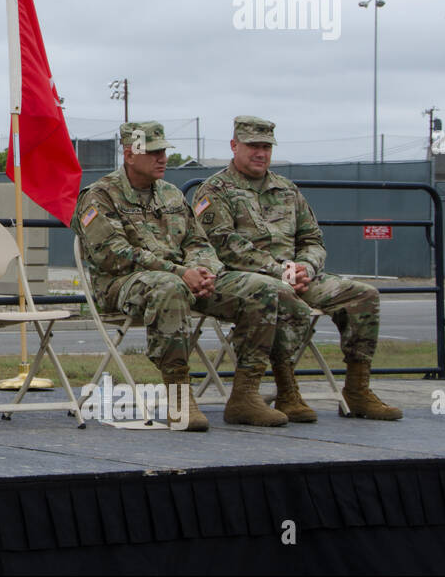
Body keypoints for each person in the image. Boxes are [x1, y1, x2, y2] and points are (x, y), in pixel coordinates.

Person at [75, 121, 318, 430]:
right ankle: (179, 397)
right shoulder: (100, 196)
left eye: (163, 151)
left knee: (263, 288)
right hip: (122, 284)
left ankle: (245, 395)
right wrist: (180, 272)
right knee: (169, 287)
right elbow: (113, 255)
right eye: (152, 152)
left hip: (184, 278)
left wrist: (204, 271)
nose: (161, 158)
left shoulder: (171, 194)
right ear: (129, 154)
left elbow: (198, 242)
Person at [195, 116, 401, 420]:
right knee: (278, 293)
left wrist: (306, 266)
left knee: (363, 295)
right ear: (234, 146)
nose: (261, 153)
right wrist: (281, 272)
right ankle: (287, 391)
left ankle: (358, 390)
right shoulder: (214, 190)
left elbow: (313, 239)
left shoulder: (287, 189)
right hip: (244, 278)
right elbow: (224, 245)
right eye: (253, 146)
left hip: (296, 276)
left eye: (266, 147)